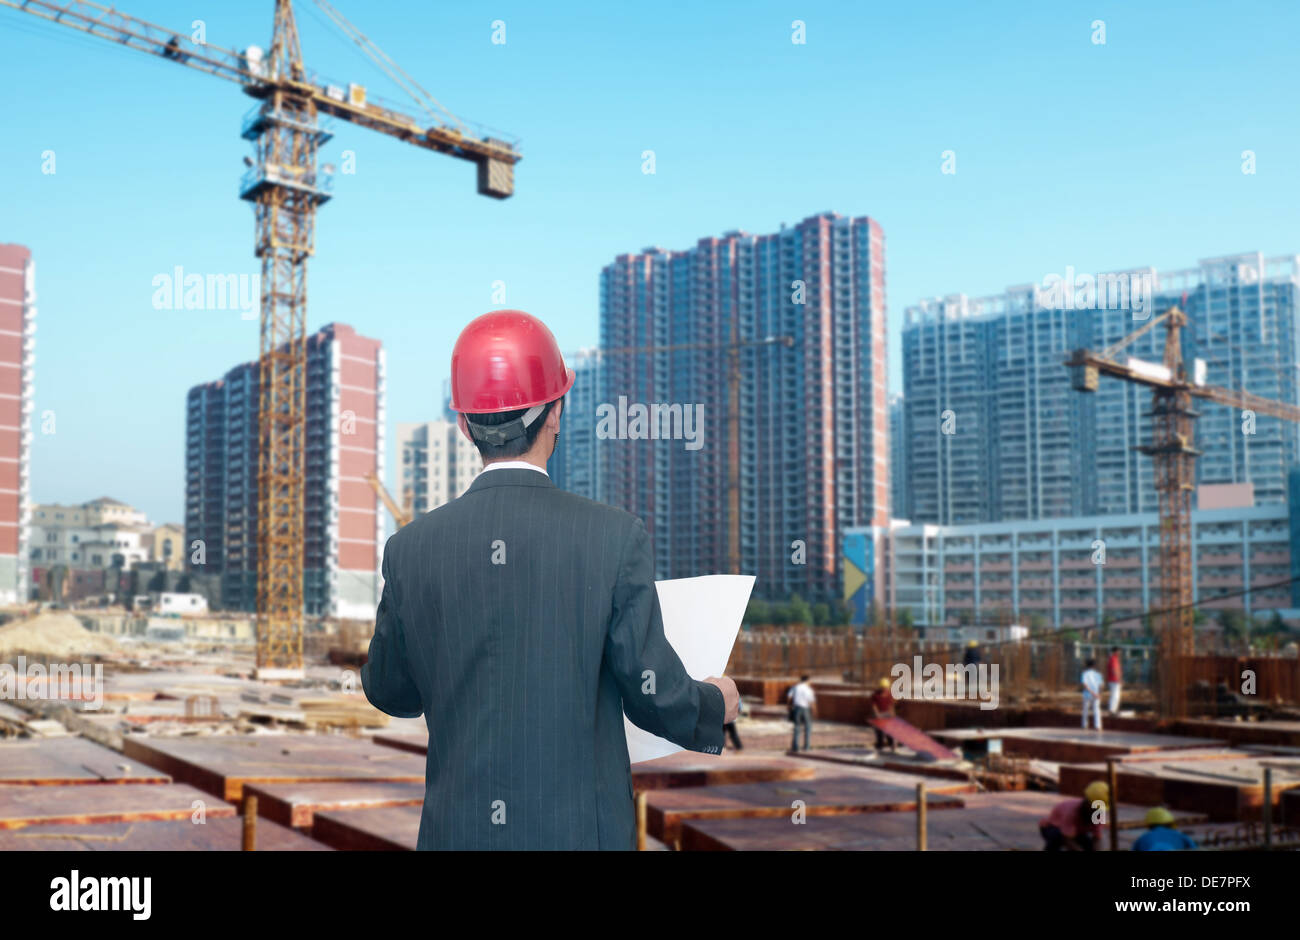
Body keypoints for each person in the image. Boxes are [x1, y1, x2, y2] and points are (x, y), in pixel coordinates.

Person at [361, 310, 739, 850]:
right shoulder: (613, 537)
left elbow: (390, 691)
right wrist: (712, 705)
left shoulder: (409, 550)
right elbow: (651, 692)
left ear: (465, 424)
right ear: (556, 411)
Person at [1040, 781, 1109, 851]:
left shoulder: (1099, 813)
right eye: (1094, 808)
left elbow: (1097, 838)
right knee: (1057, 838)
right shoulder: (1072, 812)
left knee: (1088, 844)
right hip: (1052, 827)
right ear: (1087, 801)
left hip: (1076, 832)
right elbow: (1066, 839)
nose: (1096, 811)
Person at [1133, 807, 1199, 851]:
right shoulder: (1181, 836)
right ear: (1170, 823)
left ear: (1149, 825)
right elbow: (1194, 848)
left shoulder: (1142, 838)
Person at [788, 675, 815, 752]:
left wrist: (789, 706)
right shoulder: (808, 689)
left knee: (797, 727)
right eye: (809, 681)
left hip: (796, 708)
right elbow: (811, 701)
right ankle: (806, 746)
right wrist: (814, 710)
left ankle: (795, 747)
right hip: (805, 708)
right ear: (807, 680)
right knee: (808, 727)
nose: (810, 682)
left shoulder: (795, 687)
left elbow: (789, 696)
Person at [870, 677, 897, 752]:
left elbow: (890, 706)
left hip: (886, 715)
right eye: (883, 688)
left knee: (889, 731)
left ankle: (892, 745)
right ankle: (880, 746)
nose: (885, 689)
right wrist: (877, 715)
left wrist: (893, 715)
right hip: (879, 715)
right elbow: (874, 706)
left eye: (886, 688)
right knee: (879, 732)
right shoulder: (875, 695)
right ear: (880, 687)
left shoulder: (889, 695)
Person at [1081, 658, 1104, 730]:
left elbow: (1085, 685)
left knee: (1085, 710)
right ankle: (1098, 726)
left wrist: (1092, 693)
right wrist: (1099, 694)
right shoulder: (1098, 674)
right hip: (1096, 694)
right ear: (1094, 666)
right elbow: (1101, 685)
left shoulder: (1084, 674)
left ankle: (1085, 725)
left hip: (1087, 695)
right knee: (1097, 710)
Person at [1106, 647, 1123, 714]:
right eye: (1118, 651)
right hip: (1114, 680)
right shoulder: (1113, 659)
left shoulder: (1114, 659)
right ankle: (1112, 709)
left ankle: (1113, 709)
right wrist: (1119, 679)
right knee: (1115, 696)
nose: (1119, 653)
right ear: (1115, 652)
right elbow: (1114, 670)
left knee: (1115, 695)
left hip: (1114, 680)